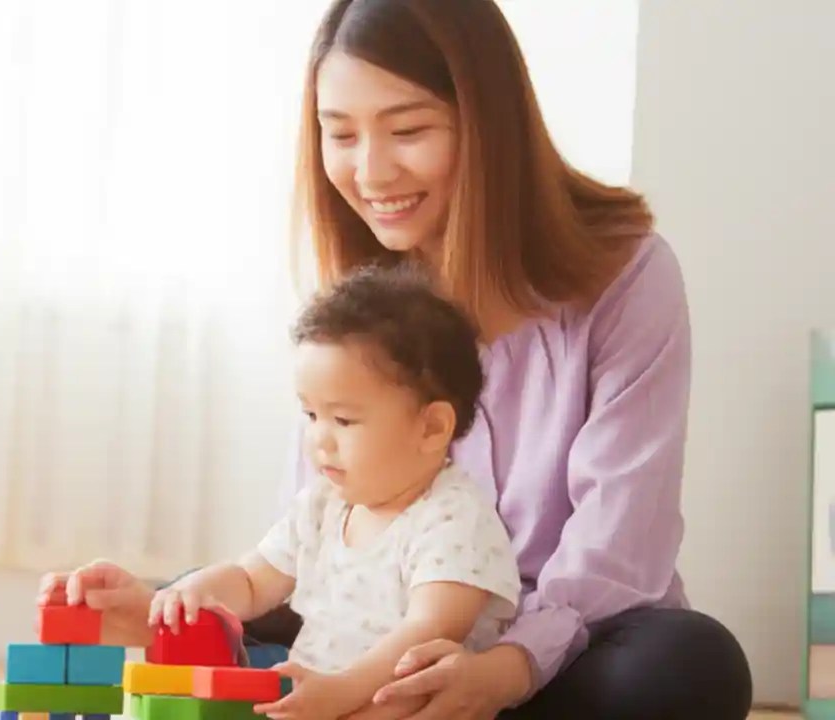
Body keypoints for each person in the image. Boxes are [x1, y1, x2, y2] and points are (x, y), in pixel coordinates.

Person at [40, 0, 754, 718]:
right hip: (385, 631)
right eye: (340, 134)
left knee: (686, 665)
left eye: (408, 130)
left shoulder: (627, 274)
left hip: (566, 641)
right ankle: (300, 677)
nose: (371, 172)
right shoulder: (366, 306)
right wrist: (177, 608)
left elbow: (620, 543)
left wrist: (503, 669)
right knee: (210, 587)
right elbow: (318, 524)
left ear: (488, 123)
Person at [150, 265, 521, 718]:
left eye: (343, 420)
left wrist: (344, 691)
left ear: (432, 427)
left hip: (394, 704)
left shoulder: (455, 518)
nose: (320, 439)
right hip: (317, 700)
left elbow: (429, 629)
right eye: (311, 415)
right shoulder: (325, 504)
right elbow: (251, 581)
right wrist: (198, 590)